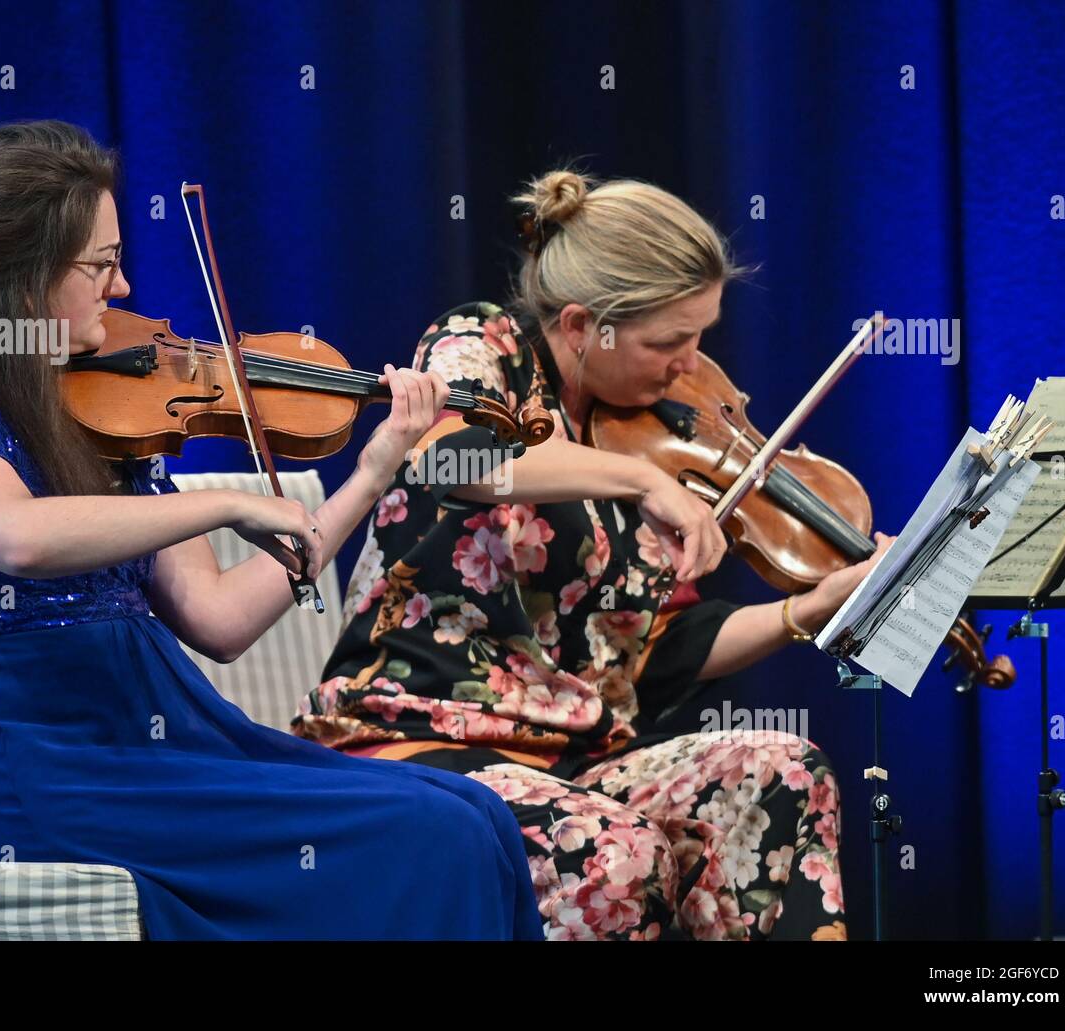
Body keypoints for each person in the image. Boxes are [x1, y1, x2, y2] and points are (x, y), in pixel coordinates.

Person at [0, 119, 542, 941]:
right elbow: (15, 537)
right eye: (99, 264)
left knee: (476, 813)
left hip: (172, 735)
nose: (125, 285)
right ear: (20, 275)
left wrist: (377, 465)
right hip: (55, 767)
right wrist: (224, 503)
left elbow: (221, 620)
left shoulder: (99, 421)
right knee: (437, 835)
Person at [294, 169, 895, 941]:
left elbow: (654, 652)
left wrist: (801, 611)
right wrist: (639, 478)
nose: (689, 364)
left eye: (700, 335)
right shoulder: (484, 344)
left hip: (571, 756)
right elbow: (445, 461)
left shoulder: (643, 429)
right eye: (669, 340)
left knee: (781, 768)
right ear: (582, 325)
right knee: (618, 850)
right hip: (418, 740)